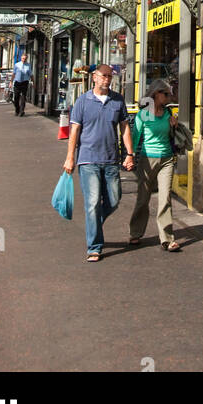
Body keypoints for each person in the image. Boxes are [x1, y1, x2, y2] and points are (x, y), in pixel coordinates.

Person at [62, 64, 135, 262]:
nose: (107, 79)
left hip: (111, 159)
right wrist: (70, 157)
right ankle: (94, 247)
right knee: (93, 203)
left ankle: (93, 224)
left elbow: (125, 128)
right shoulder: (83, 101)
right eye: (104, 76)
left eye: (110, 76)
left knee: (113, 199)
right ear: (94, 77)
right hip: (88, 159)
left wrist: (129, 153)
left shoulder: (117, 100)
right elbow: (74, 131)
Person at [128, 79, 181, 252]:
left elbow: (173, 135)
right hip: (147, 160)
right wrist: (130, 156)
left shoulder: (168, 113)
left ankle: (167, 239)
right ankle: (135, 232)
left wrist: (175, 125)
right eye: (165, 94)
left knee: (165, 198)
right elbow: (135, 137)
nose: (168, 97)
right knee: (143, 198)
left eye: (169, 94)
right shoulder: (145, 114)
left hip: (166, 159)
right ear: (155, 94)